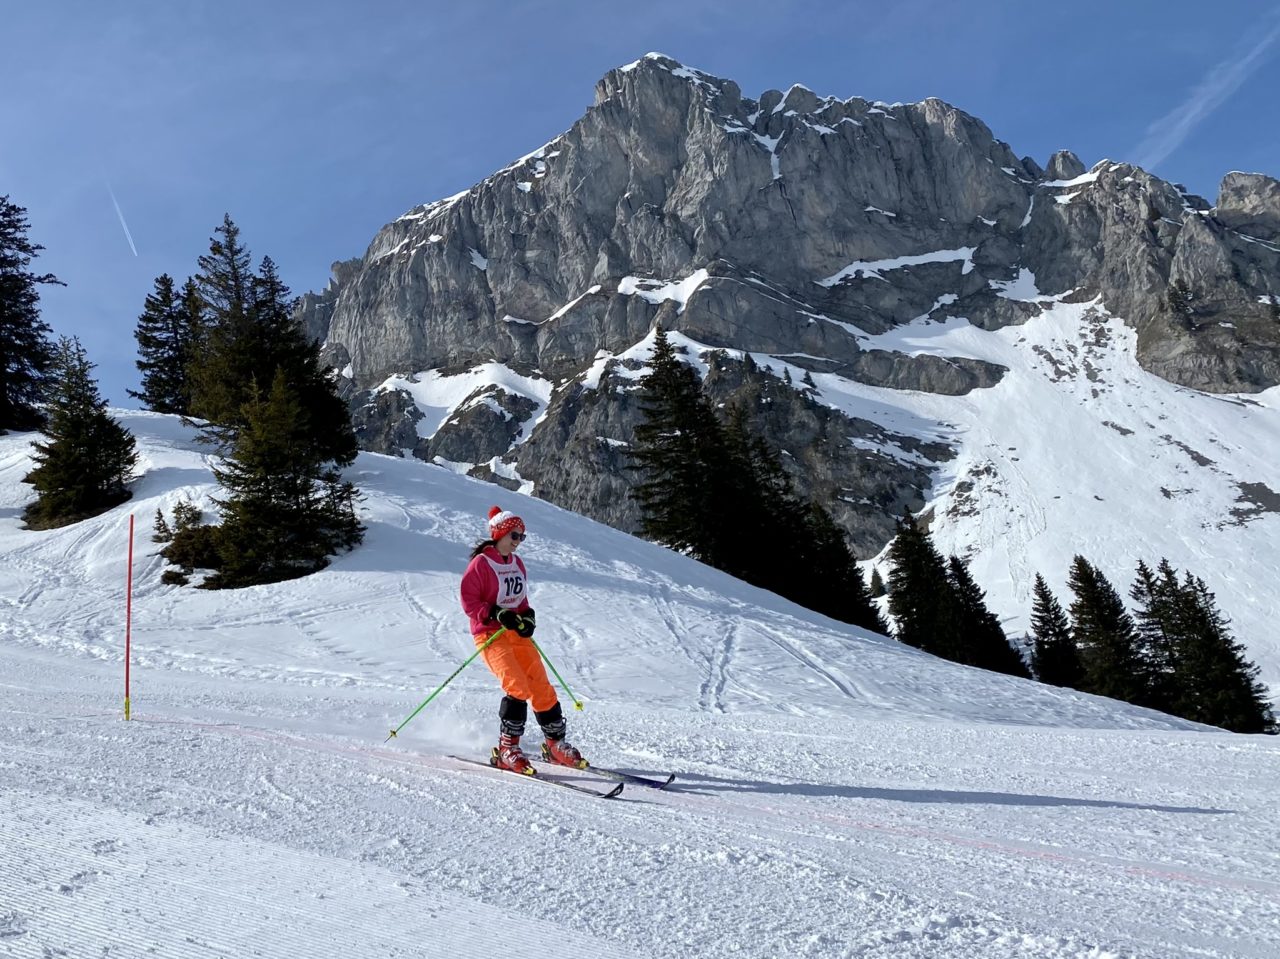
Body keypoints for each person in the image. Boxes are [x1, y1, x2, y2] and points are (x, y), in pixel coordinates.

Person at [459, 505, 587, 775]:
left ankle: (554, 745)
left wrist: (527, 617)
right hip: (490, 634)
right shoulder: (481, 564)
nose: (518, 542)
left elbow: (521, 600)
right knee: (516, 685)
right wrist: (494, 613)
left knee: (540, 683)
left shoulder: (517, 564)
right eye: (515, 536)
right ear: (500, 534)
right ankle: (507, 748)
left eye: (522, 537)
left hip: (515, 633)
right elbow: (469, 601)